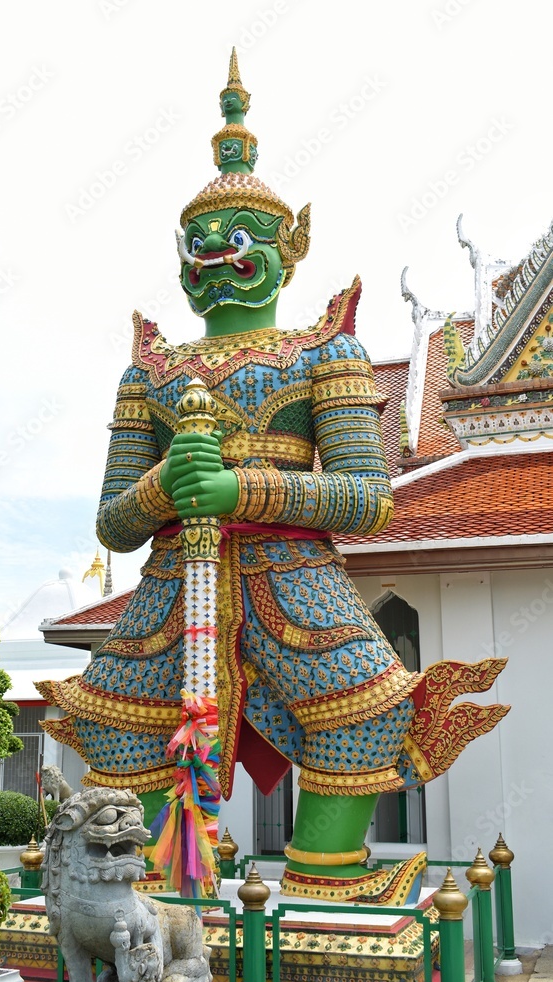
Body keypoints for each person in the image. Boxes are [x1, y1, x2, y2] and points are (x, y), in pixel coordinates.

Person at [38, 51, 507, 901]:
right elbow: (111, 523)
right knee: (119, 721)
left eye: (239, 241)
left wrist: (236, 491)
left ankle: (325, 874)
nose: (216, 259)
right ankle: (165, 888)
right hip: (175, 581)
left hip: (295, 578)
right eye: (200, 246)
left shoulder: (324, 350)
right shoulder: (151, 369)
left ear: (288, 251)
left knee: (368, 711)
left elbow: (366, 499)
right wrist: (165, 491)